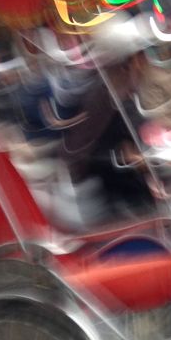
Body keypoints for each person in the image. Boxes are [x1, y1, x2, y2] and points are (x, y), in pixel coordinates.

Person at [61, 16, 154, 220]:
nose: (147, 63)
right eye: (143, 56)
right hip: (114, 196)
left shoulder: (129, 90)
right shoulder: (103, 97)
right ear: (130, 62)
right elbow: (85, 150)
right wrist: (125, 156)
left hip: (135, 182)